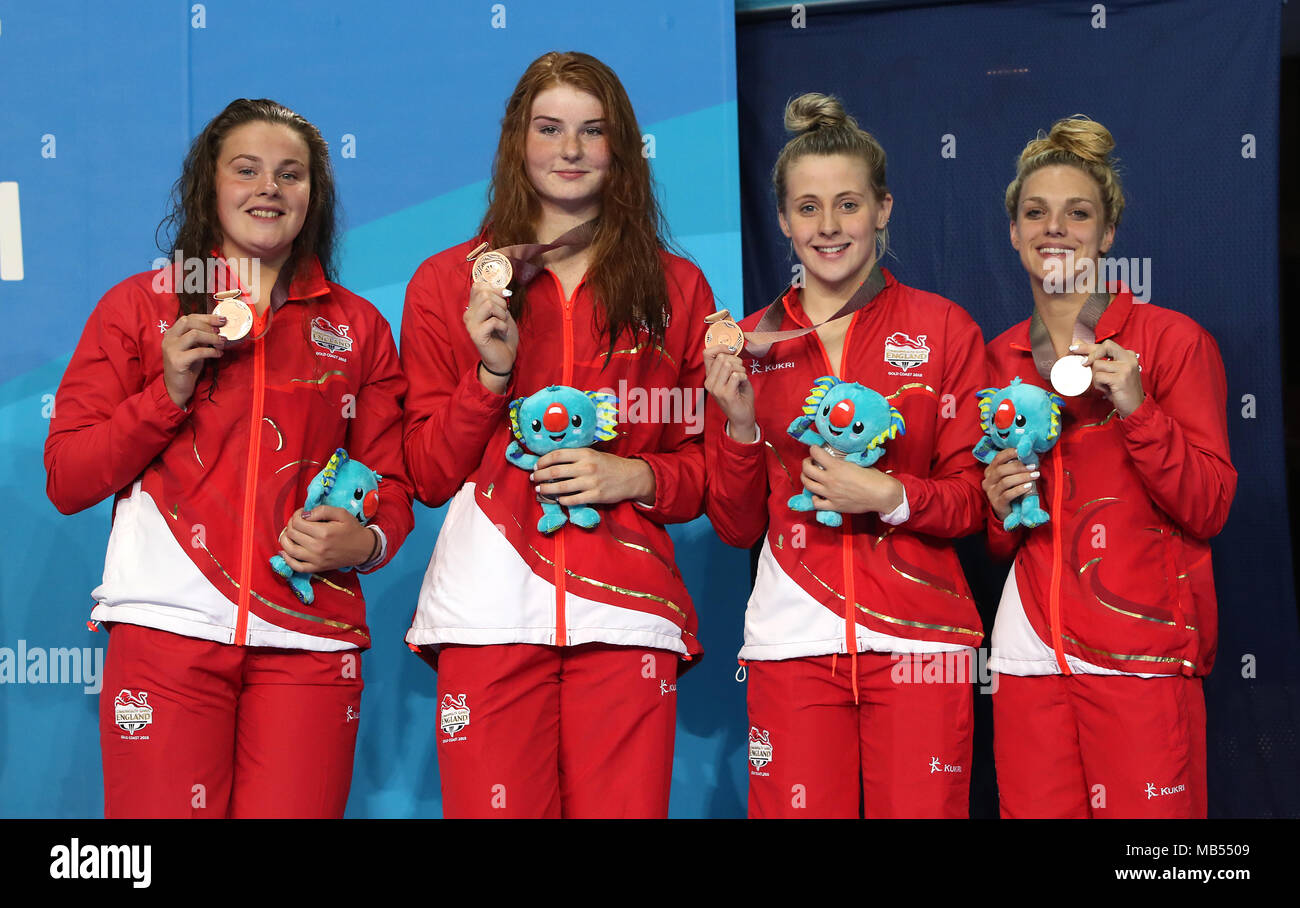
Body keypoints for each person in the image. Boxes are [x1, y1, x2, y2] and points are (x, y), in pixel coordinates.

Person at [44, 98, 413, 818]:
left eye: (291, 174)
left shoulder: (359, 327)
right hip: (169, 633)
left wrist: (366, 541)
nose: (269, 189)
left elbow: (391, 484)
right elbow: (68, 477)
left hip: (311, 639)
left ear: (315, 195)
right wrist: (166, 392)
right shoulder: (138, 308)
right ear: (208, 187)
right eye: (246, 170)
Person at [401, 51, 715, 819]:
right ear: (518, 141)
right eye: (550, 129)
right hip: (489, 610)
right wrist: (490, 380)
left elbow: (717, 470)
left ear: (622, 149)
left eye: (592, 130)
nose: (571, 150)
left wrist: (636, 478)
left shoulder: (677, 287)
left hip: (626, 612)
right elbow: (426, 472)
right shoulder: (448, 282)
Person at [705, 93, 987, 818]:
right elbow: (737, 527)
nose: (828, 227)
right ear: (782, 220)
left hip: (921, 637)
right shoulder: (747, 345)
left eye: (848, 204)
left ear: (883, 209)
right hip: (792, 638)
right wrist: (739, 425)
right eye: (807, 208)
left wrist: (889, 497)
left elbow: (973, 501)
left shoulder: (945, 328)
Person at [981, 115, 1237, 818]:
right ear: (1012, 231)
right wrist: (998, 506)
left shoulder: (1172, 342)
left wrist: (1138, 406)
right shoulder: (996, 359)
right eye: (1036, 212)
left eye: (1077, 213)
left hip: (1140, 653)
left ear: (1109, 232)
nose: (1053, 229)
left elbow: (1209, 504)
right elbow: (1001, 539)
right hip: (1029, 654)